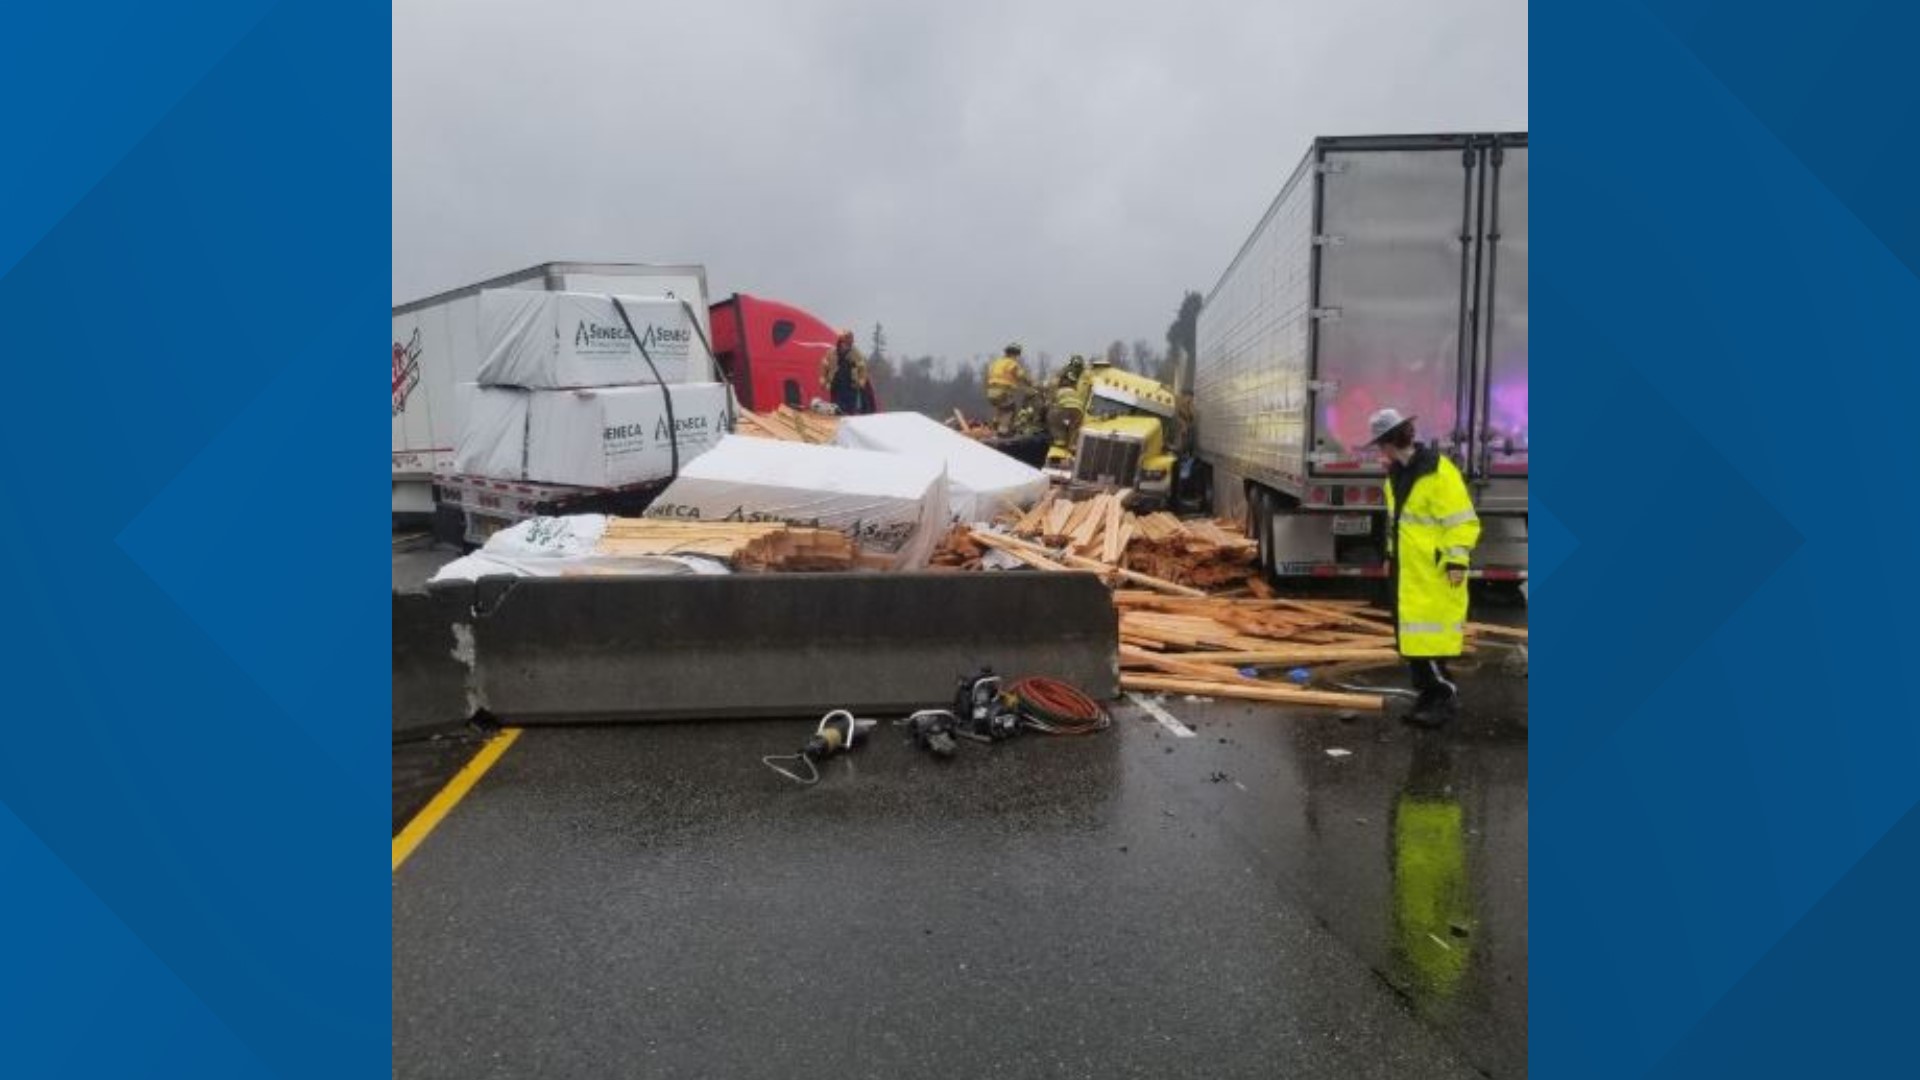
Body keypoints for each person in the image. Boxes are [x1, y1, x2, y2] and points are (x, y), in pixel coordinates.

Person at [1367, 408, 1480, 726]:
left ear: (1390, 442)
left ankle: (1441, 696)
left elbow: (1462, 521)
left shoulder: (1439, 473)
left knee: (1427, 639)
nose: (1380, 451)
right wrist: (1390, 559)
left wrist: (1457, 559)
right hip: (1408, 570)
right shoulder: (1397, 475)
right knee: (1412, 639)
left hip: (1433, 571)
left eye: (1381, 444)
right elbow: (1397, 525)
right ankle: (1428, 697)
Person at [817, 330, 875, 415]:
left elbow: (862, 369)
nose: (847, 346)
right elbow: (824, 366)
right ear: (840, 342)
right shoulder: (831, 353)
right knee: (836, 409)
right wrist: (823, 379)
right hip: (835, 386)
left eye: (849, 344)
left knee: (850, 410)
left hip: (851, 387)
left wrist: (861, 382)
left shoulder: (856, 354)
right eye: (846, 343)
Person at [1046, 355, 1090, 464]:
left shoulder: (1060, 390)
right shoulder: (1079, 383)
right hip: (1079, 411)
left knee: (1054, 417)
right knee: (1073, 430)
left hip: (1065, 411)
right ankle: (1072, 452)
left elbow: (1051, 405)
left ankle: (1059, 444)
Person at [985, 342, 1034, 435]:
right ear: (1014, 354)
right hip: (1003, 390)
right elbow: (1021, 375)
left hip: (991, 391)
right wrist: (1031, 383)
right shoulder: (1011, 363)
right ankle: (1002, 431)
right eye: (1017, 355)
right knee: (1010, 409)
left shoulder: (997, 362)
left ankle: (996, 422)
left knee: (1001, 407)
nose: (1017, 357)